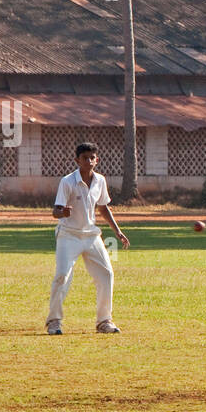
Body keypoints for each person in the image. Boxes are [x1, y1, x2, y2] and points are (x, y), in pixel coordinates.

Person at [46, 142, 129, 335]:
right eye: (85, 158)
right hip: (69, 235)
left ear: (97, 160)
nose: (89, 161)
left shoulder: (100, 180)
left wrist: (117, 231)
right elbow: (55, 212)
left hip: (91, 235)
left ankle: (104, 321)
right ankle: (54, 321)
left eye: (92, 157)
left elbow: (103, 207)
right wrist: (63, 212)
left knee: (106, 274)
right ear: (77, 160)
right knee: (62, 276)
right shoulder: (67, 181)